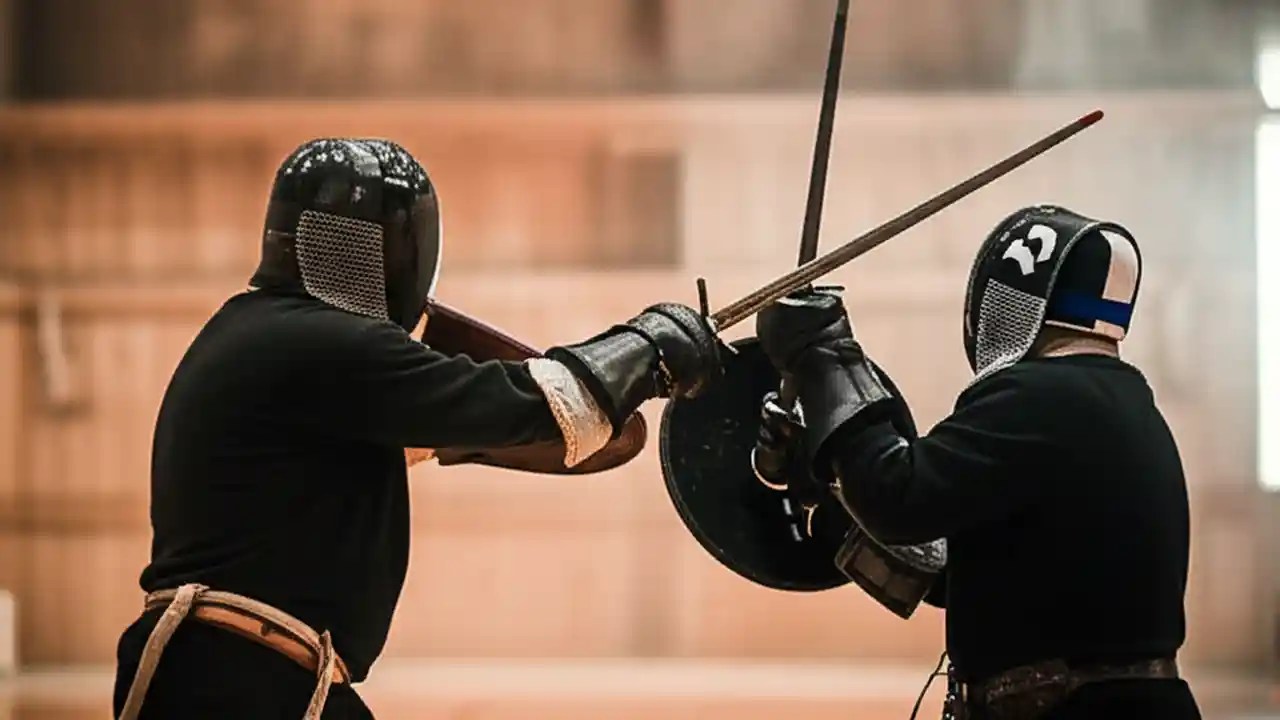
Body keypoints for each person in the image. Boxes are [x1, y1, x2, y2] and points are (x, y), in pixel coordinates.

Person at [112, 138, 722, 719]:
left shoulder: (270, 342)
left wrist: (607, 393)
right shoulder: (319, 344)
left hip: (263, 676)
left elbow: (486, 425)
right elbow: (511, 404)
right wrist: (647, 346)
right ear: (396, 249)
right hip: (232, 681)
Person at [753, 205, 1202, 719]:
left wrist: (825, 355)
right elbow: (947, 571)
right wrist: (829, 477)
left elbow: (897, 499)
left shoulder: (1043, 398)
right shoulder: (1117, 405)